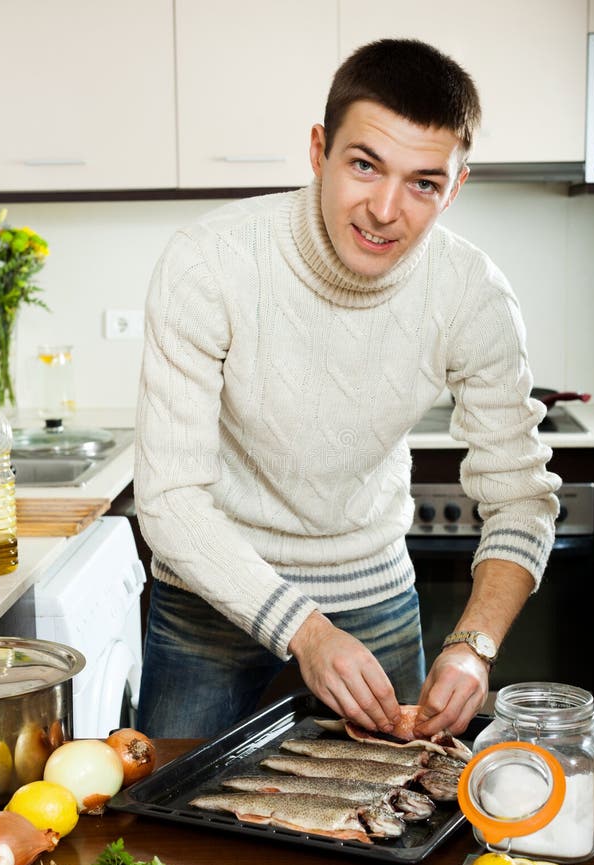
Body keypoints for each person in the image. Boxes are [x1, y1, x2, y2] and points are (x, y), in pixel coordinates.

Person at [134, 37, 560, 739]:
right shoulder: (207, 261)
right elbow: (170, 498)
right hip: (207, 599)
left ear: (453, 187)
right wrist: (302, 630)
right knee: (171, 835)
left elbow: (519, 496)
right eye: (364, 165)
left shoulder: (472, 295)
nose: (385, 209)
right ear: (317, 151)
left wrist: (473, 647)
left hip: (374, 596)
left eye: (423, 182)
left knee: (391, 822)